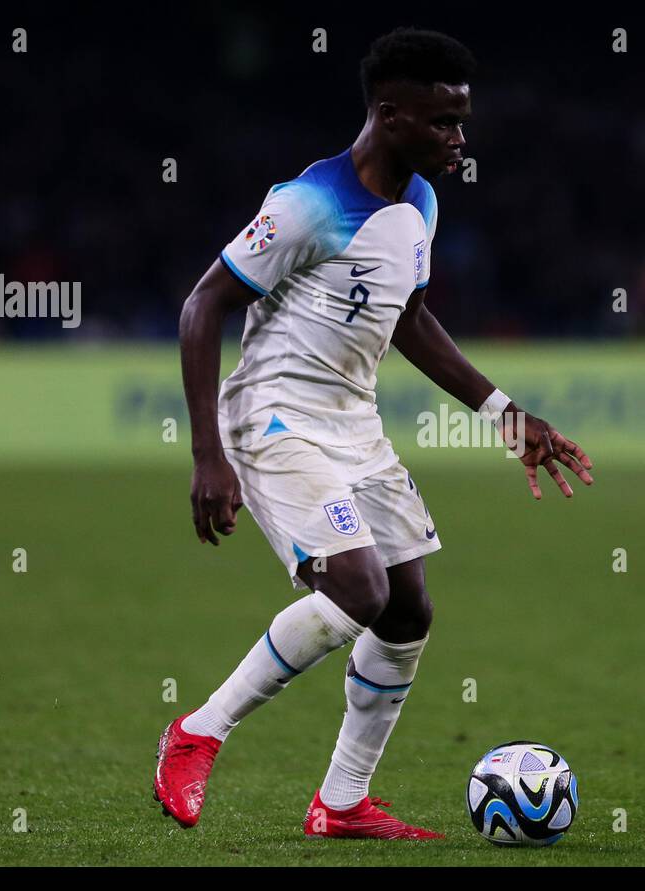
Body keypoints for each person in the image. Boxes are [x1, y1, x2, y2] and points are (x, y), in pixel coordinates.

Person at [154, 27, 593, 840]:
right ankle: (196, 733)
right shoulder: (305, 204)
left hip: (353, 421)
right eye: (442, 122)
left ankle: (343, 803)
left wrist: (505, 413)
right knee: (359, 589)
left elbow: (412, 320)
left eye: (462, 121)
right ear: (390, 115)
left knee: (406, 612)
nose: (459, 139)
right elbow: (200, 305)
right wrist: (208, 455)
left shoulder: (421, 201)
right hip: (272, 416)